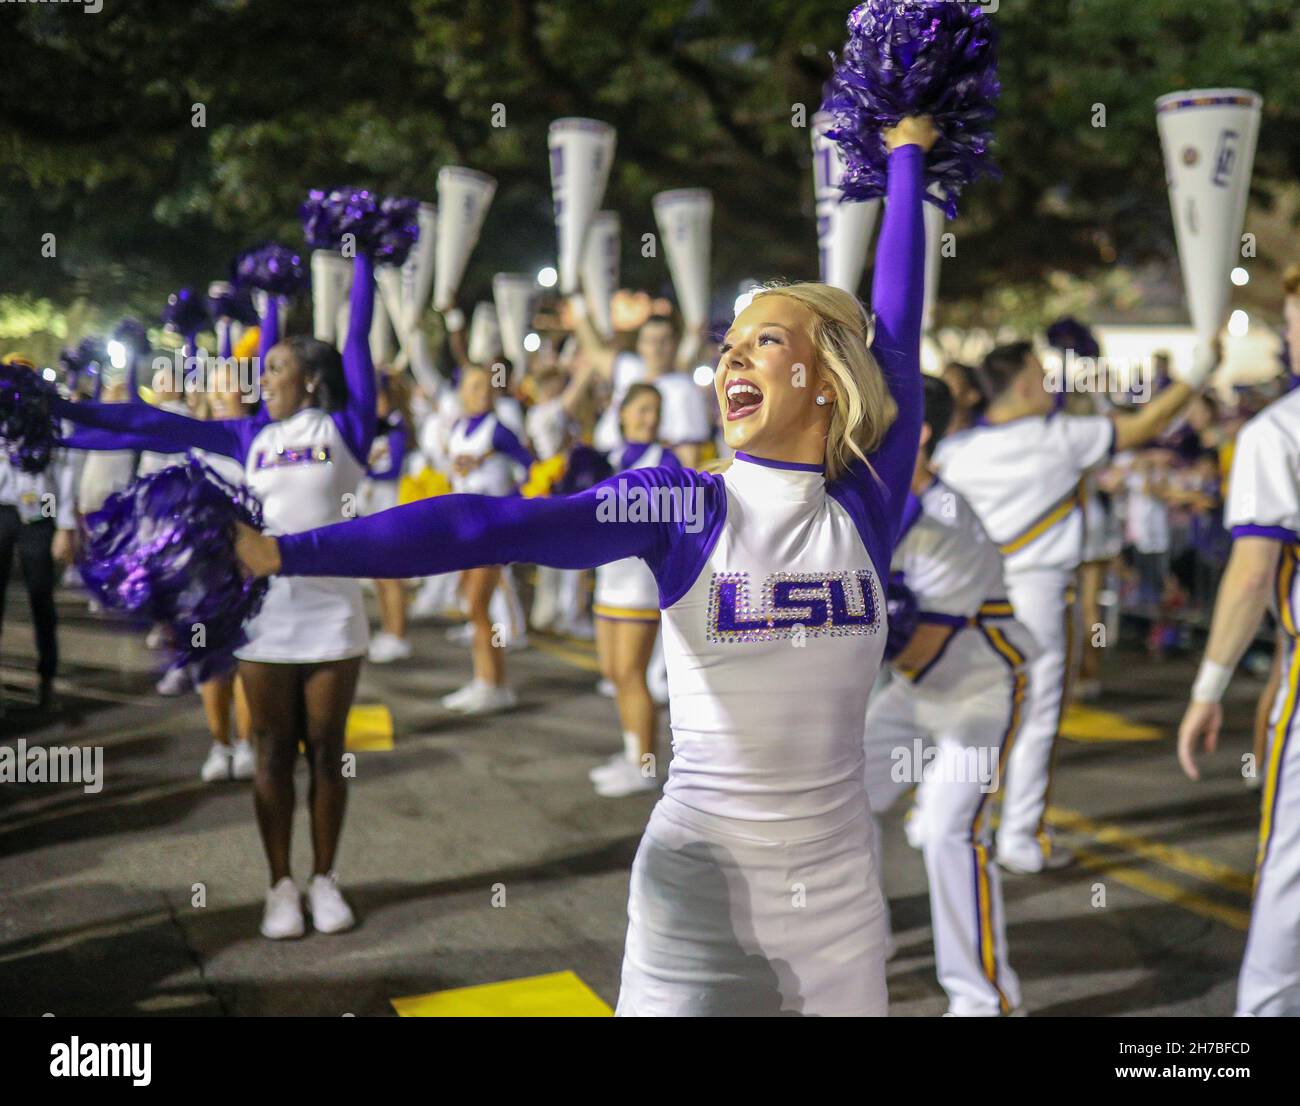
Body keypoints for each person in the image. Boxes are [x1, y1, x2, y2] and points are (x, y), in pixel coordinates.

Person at [237, 119, 931, 1015]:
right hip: (698, 897)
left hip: (840, 901)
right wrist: (287, 553)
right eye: (727, 347)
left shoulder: (864, 506)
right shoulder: (684, 504)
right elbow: (486, 525)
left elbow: (902, 328)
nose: (730, 359)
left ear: (827, 376)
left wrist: (908, 152)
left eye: (762, 342)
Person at [54, 254, 378, 941]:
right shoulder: (247, 435)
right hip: (264, 617)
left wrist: (367, 258)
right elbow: (147, 426)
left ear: (312, 381)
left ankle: (325, 878)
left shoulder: (344, 430)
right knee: (267, 750)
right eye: (261, 370)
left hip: (331, 614)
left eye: (276, 370)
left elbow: (358, 343)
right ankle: (279, 886)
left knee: (324, 749)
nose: (263, 379)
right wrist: (56, 417)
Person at [933, 339, 1208, 874]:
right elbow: (1144, 425)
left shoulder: (956, 452)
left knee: (968, 712)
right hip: (1035, 593)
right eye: (1041, 373)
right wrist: (1198, 370)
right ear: (1024, 384)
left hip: (969, 594)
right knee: (1036, 715)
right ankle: (1019, 836)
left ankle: (939, 820)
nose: (1049, 383)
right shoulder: (1058, 438)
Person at [863, 374, 1034, 1016]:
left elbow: (917, 646)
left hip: (978, 689)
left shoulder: (948, 519)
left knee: (945, 831)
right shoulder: (868, 503)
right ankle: (863, 940)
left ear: (918, 434)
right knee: (843, 794)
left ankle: (984, 999)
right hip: (916, 689)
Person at [588, 382, 681, 798]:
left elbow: (680, 521)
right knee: (613, 672)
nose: (648, 418)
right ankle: (631, 753)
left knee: (631, 674)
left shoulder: (667, 461)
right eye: (641, 410)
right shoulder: (607, 459)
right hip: (609, 577)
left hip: (642, 582)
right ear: (622, 413)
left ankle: (645, 765)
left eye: (654, 411)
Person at [437, 363, 534, 714]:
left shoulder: (498, 430)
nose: (481, 393)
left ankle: (494, 683)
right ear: (461, 391)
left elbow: (531, 467)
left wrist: (509, 505)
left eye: (485, 386)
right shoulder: (460, 428)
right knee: (473, 606)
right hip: (464, 528)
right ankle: (485, 680)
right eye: (473, 386)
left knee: (478, 605)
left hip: (490, 529)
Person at [0, 360, 78, 713]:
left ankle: (46, 679)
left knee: (40, 597)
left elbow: (65, 472)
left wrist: (64, 526)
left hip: (39, 514)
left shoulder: (51, 418)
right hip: (2, 510)